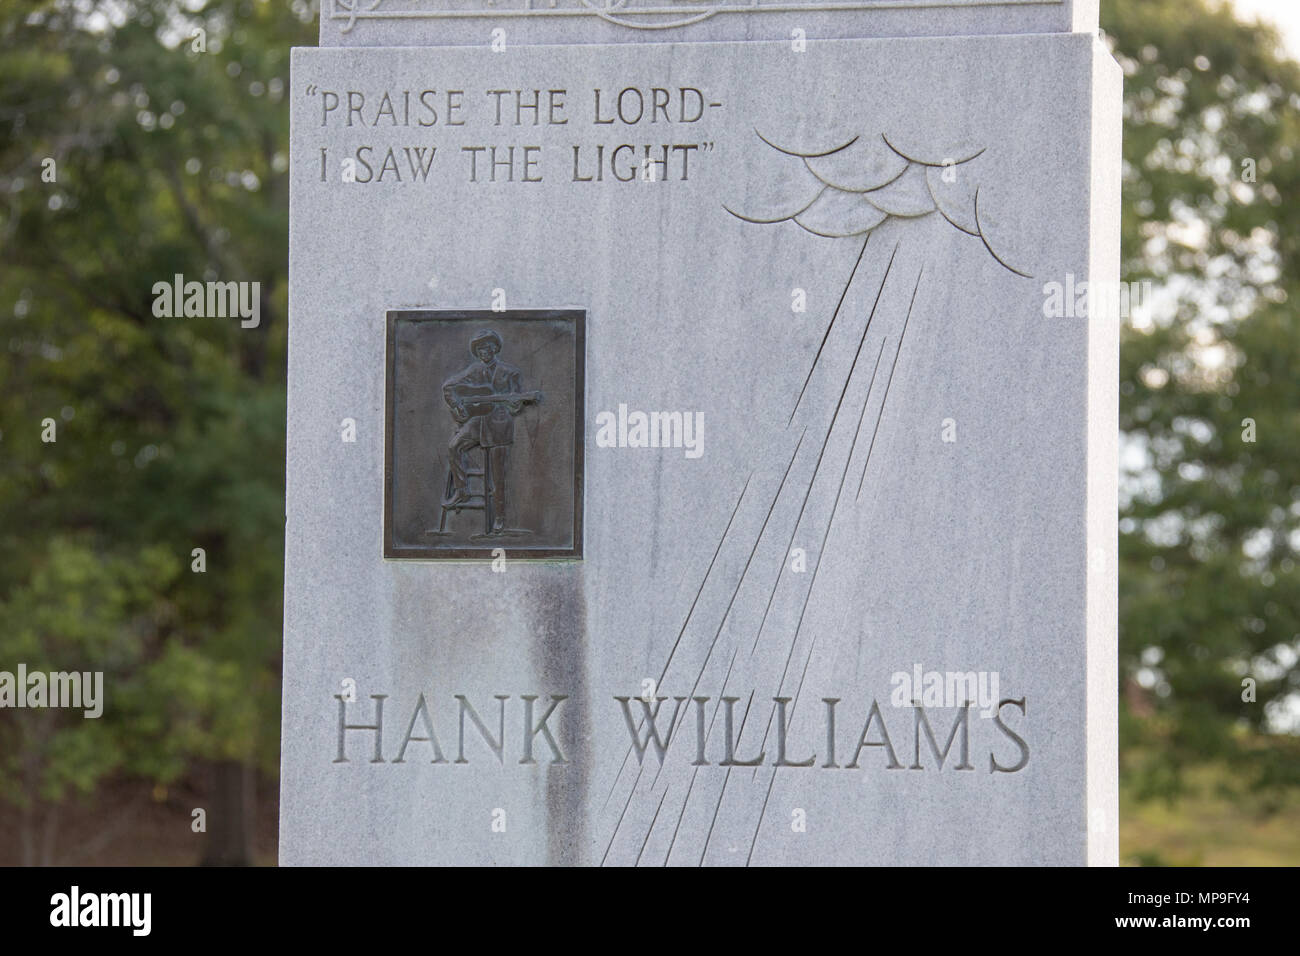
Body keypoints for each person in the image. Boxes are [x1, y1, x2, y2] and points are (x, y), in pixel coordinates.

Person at [441, 329, 528, 532]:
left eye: (487, 348)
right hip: (477, 422)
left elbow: (516, 407)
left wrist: (513, 403)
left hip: (499, 425)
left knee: (498, 475)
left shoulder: (510, 372)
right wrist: (458, 406)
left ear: (495, 348)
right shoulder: (473, 371)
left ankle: (499, 517)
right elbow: (448, 387)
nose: (484, 352)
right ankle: (462, 490)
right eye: (480, 349)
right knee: (454, 446)